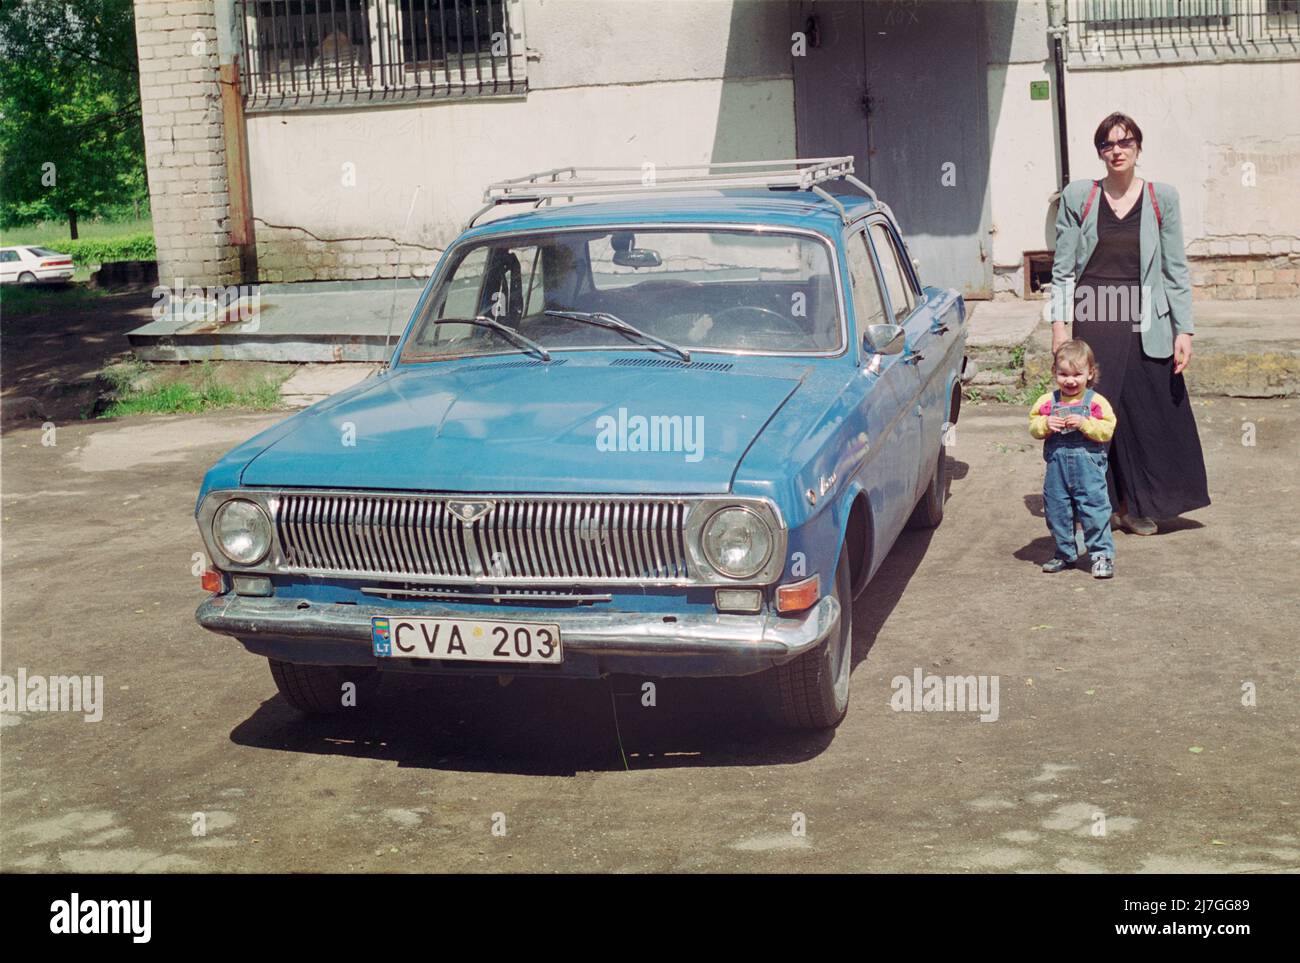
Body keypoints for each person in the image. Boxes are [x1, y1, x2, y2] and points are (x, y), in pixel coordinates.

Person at [1049, 112, 1210, 536]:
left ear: (1138, 147)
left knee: (1150, 410)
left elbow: (1175, 268)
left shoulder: (1162, 198)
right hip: (1094, 311)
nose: (1116, 151)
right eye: (1107, 144)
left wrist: (1184, 330)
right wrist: (1060, 328)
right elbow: (1064, 268)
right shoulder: (1080, 196)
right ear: (1099, 151)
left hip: (1146, 316)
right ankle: (1099, 504)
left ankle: (1140, 504)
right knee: (1094, 411)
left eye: (1125, 142)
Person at [1029, 340, 1117, 579]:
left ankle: (1101, 555)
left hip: (1088, 468)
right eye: (1063, 374)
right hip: (1057, 469)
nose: (1070, 380)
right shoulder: (1047, 402)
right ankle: (1064, 552)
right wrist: (1045, 424)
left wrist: (1085, 424)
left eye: (1077, 374)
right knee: (1057, 510)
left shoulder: (1096, 402)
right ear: (1054, 373)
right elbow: (1033, 425)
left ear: (1090, 374)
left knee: (1094, 510)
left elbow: (1107, 430)